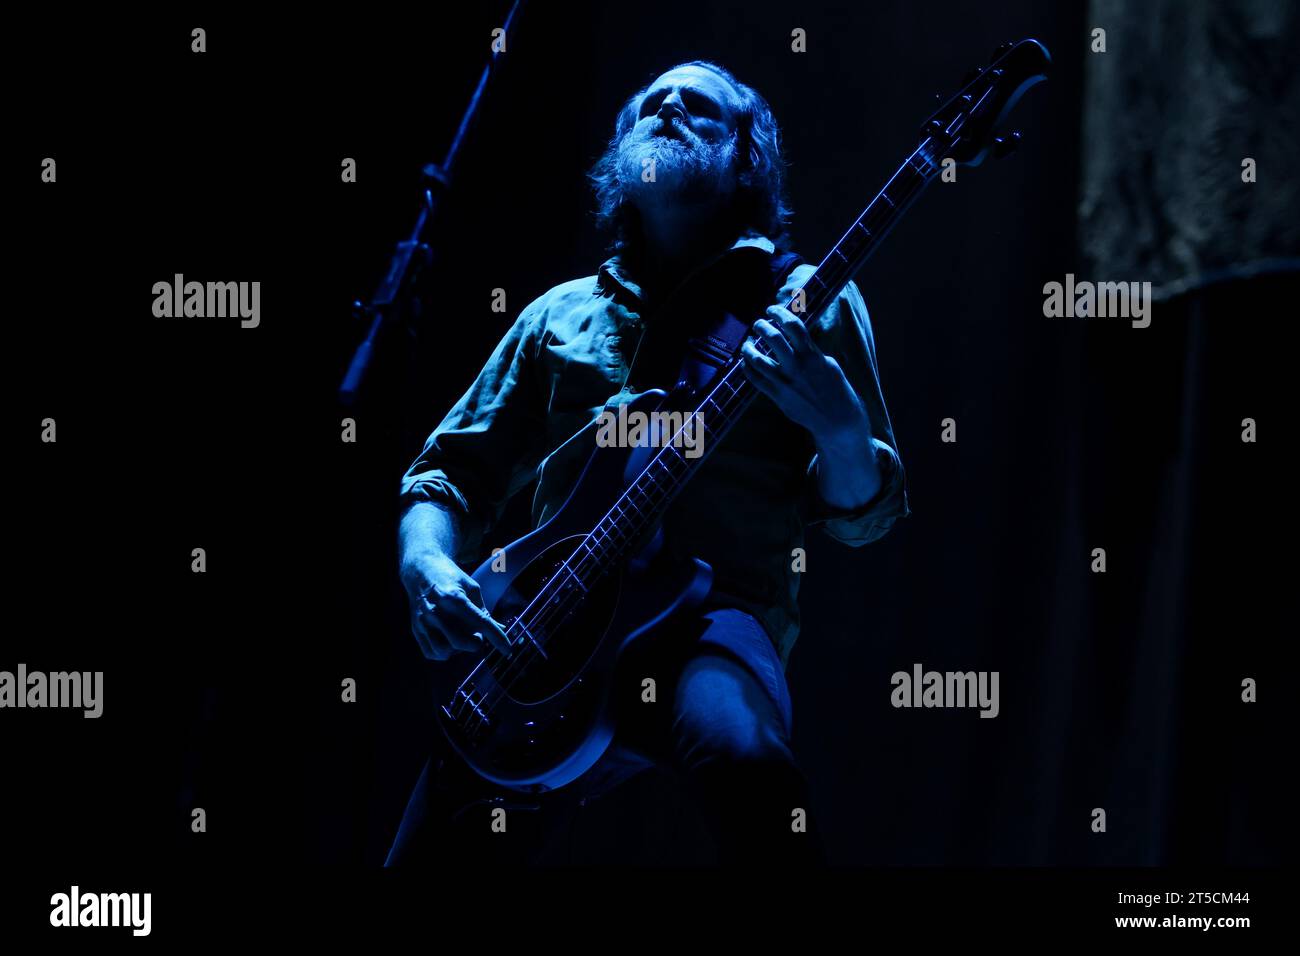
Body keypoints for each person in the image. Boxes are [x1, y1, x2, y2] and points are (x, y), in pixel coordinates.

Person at [387, 60, 909, 866]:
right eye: (649, 104)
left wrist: (841, 430)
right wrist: (427, 564)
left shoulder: (805, 302)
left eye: (698, 107)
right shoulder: (556, 316)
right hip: (542, 625)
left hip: (708, 617)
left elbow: (863, 517)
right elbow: (448, 474)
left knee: (746, 761)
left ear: (746, 157)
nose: (667, 107)